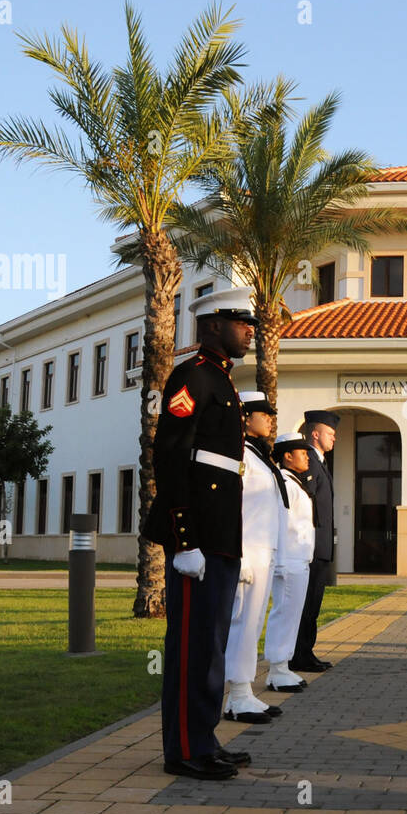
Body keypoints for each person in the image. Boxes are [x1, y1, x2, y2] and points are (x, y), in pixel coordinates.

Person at [143, 286, 257, 780]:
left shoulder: (222, 381)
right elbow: (170, 458)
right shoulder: (192, 377)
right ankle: (185, 749)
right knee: (192, 644)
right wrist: (183, 539)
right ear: (212, 324)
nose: (251, 331)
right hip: (198, 539)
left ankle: (204, 738)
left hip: (219, 537)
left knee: (210, 643)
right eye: (241, 322)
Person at [222, 391, 287, 724]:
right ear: (246, 417)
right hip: (249, 552)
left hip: (265, 552)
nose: (270, 420)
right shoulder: (239, 454)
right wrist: (242, 555)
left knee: (252, 623)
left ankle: (244, 691)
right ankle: (236, 696)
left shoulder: (259, 455)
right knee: (242, 624)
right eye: (264, 414)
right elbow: (234, 506)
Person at [265, 432, 317, 693]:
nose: (307, 457)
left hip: (298, 558)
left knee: (292, 614)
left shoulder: (294, 482)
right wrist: (282, 562)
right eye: (302, 453)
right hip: (289, 559)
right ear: (287, 456)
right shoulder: (283, 482)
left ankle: (282, 666)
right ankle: (276, 669)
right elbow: (282, 522)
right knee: (284, 613)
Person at [291, 409, 339, 673]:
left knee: (312, 605)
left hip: (319, 546)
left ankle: (305, 652)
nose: (334, 439)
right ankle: (299, 655)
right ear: (316, 434)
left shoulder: (318, 461)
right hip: (310, 545)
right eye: (331, 434)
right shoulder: (308, 460)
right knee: (306, 604)